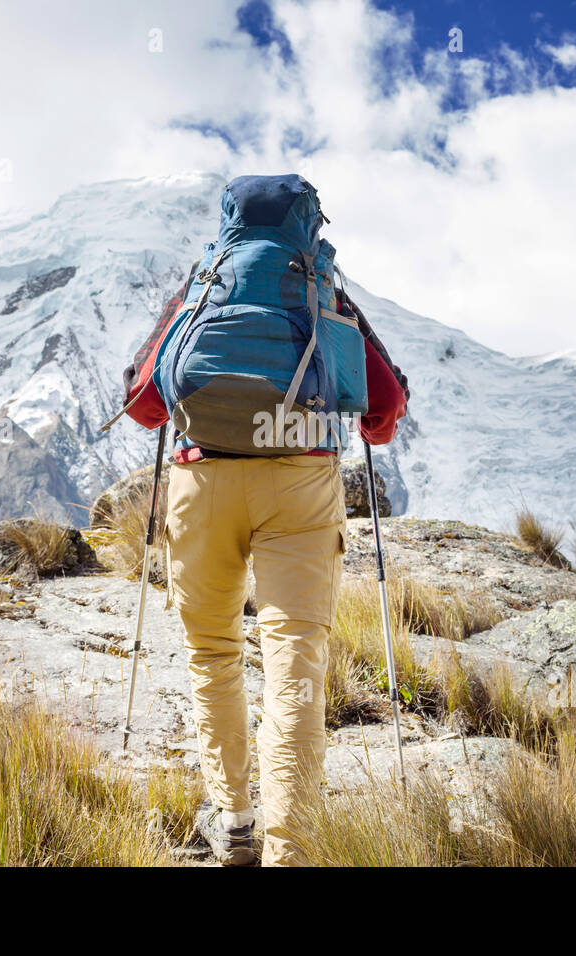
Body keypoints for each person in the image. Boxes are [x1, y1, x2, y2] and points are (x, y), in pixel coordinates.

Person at [117, 177, 409, 866]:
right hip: (299, 484)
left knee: (214, 654)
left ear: (228, 225)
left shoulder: (201, 290)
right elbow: (385, 408)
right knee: (295, 667)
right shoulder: (320, 291)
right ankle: (290, 849)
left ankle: (237, 821)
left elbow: (142, 401)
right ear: (307, 226)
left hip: (202, 481)